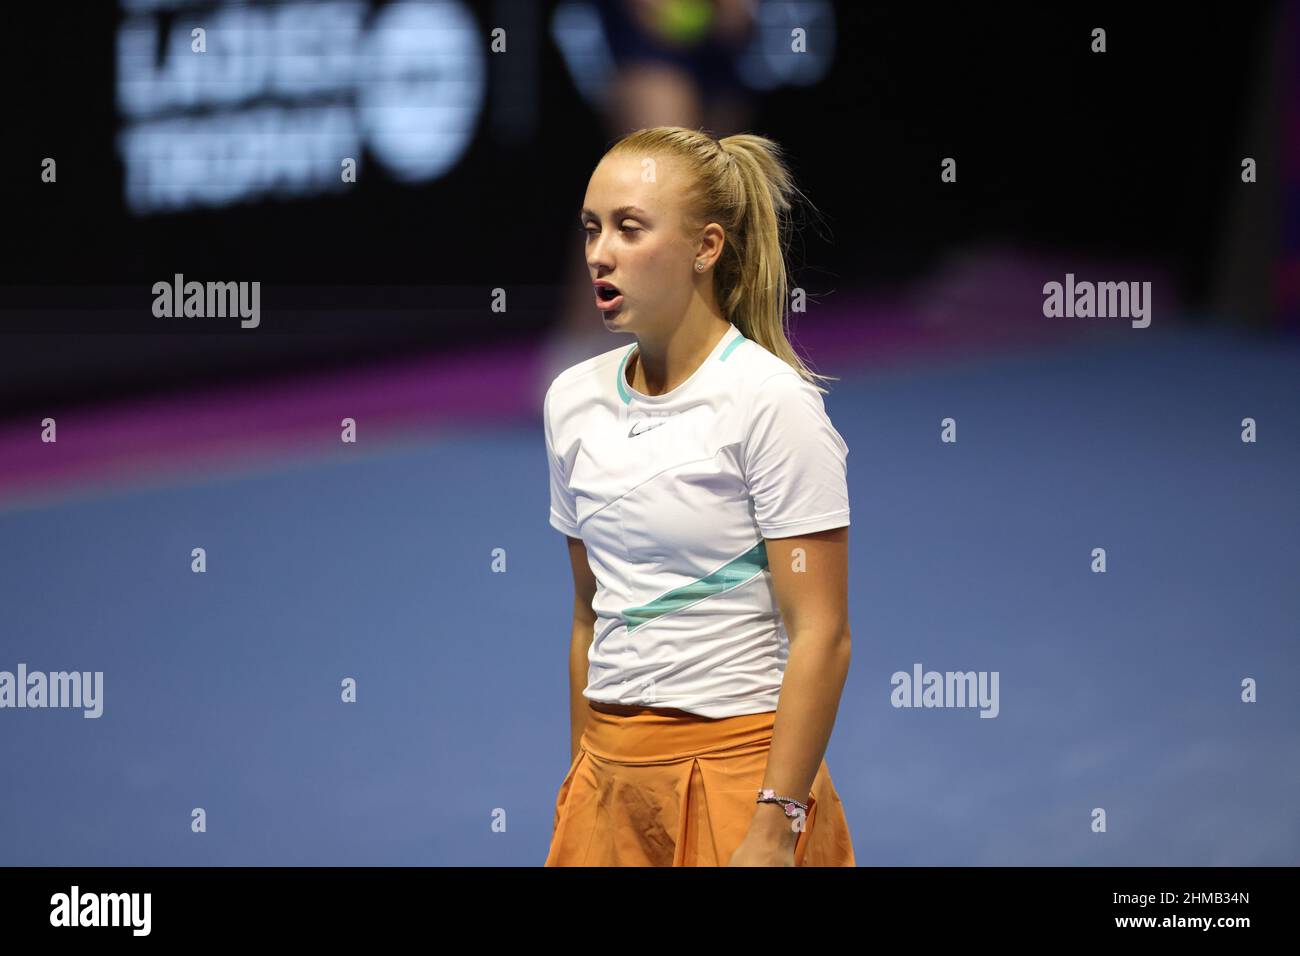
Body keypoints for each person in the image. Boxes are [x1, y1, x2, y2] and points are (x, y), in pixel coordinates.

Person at [542, 126, 855, 866]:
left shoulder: (771, 403)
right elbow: (589, 612)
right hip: (610, 781)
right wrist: (582, 777)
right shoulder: (571, 400)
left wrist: (776, 826)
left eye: (629, 228)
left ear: (706, 247)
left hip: (743, 784)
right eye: (591, 228)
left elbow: (822, 634)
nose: (599, 253)